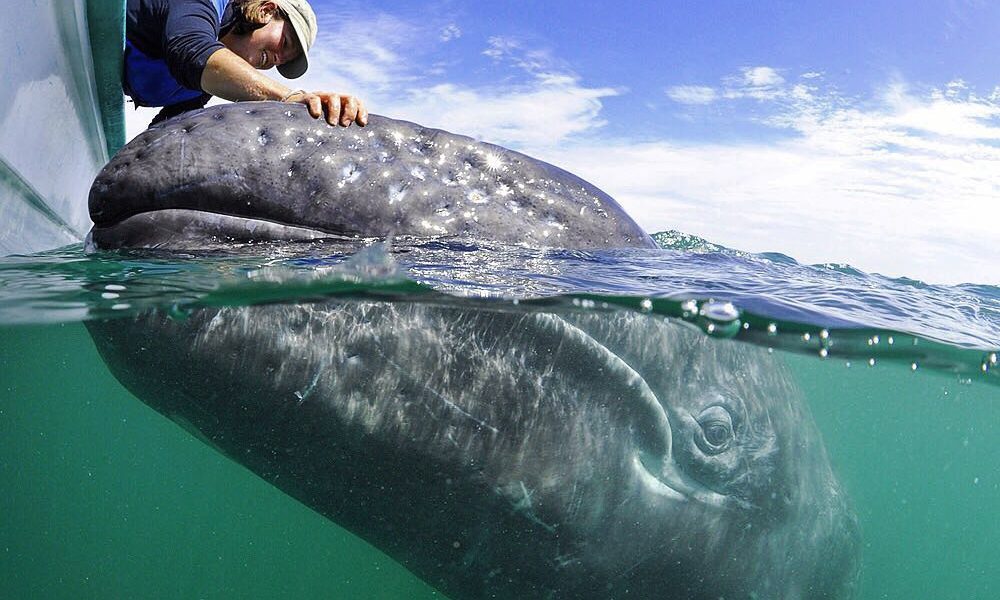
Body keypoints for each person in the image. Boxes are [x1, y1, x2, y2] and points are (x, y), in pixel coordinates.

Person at [124, 0, 367, 127]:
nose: (277, 60)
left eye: (284, 62)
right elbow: (191, 50)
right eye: (285, 43)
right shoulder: (201, 4)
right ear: (266, 10)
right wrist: (289, 98)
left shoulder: (204, 87)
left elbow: (168, 128)